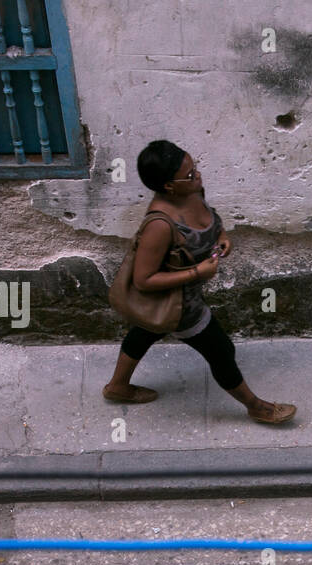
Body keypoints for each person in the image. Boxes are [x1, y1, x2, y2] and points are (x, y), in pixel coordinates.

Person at [103, 139, 296, 424]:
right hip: (181, 305)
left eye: (195, 167)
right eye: (190, 174)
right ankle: (256, 407)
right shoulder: (160, 225)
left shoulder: (193, 193)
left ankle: (117, 387)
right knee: (221, 351)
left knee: (146, 329)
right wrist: (197, 273)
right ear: (169, 186)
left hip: (181, 298)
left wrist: (222, 238)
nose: (198, 176)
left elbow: (212, 221)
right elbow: (143, 280)